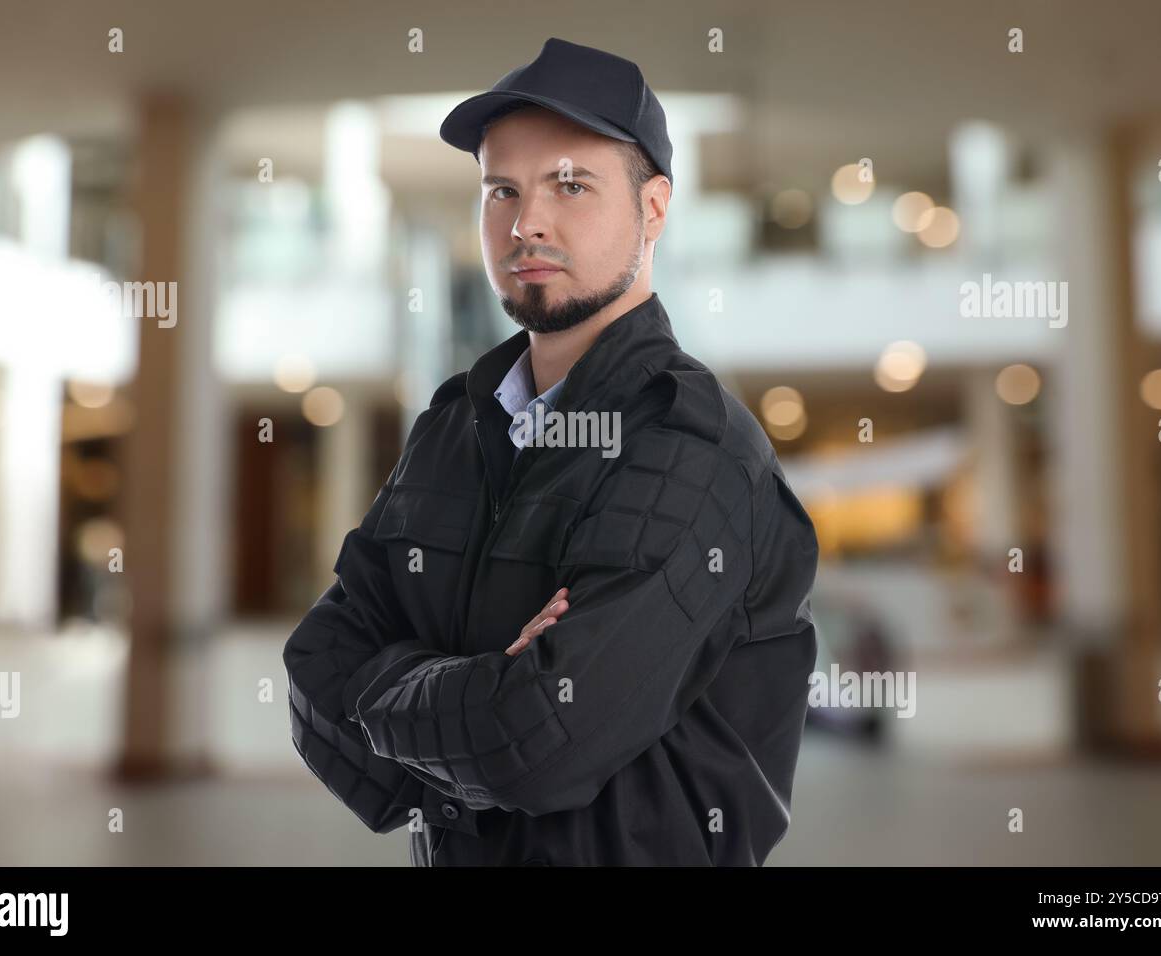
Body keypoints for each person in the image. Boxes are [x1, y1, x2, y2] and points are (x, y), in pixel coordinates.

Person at [283, 37, 819, 866]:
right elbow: (313, 670)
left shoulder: (694, 447)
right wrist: (478, 692)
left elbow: (538, 741)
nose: (526, 221)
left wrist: (403, 694)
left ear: (653, 208)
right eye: (503, 189)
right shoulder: (453, 427)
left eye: (571, 184)